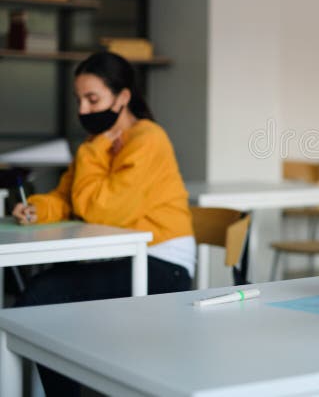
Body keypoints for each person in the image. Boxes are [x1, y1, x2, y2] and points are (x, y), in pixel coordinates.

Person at [12, 51, 195, 396]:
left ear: (123, 97)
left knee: (41, 298)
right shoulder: (98, 144)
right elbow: (68, 197)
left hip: (162, 263)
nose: (83, 110)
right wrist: (36, 208)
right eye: (79, 100)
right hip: (121, 258)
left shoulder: (147, 139)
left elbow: (105, 210)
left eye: (92, 99)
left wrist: (92, 152)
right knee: (43, 297)